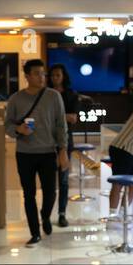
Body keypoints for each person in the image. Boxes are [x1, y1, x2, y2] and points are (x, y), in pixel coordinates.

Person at [3, 59, 69, 245]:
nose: (42, 77)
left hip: (48, 152)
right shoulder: (16, 99)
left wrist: (63, 150)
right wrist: (18, 130)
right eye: (37, 74)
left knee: (51, 192)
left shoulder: (53, 96)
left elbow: (61, 125)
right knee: (28, 194)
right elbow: (8, 124)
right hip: (25, 153)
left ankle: (45, 215)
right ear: (27, 76)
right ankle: (35, 232)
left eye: (43, 73)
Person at [49, 64, 80, 227]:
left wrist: (53, 117)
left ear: (63, 77)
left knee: (63, 180)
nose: (55, 78)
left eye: (58, 75)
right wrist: (62, 117)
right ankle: (46, 213)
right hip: (46, 142)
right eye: (52, 75)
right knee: (48, 181)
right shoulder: (45, 95)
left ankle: (62, 213)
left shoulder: (70, 95)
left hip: (65, 142)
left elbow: (73, 118)